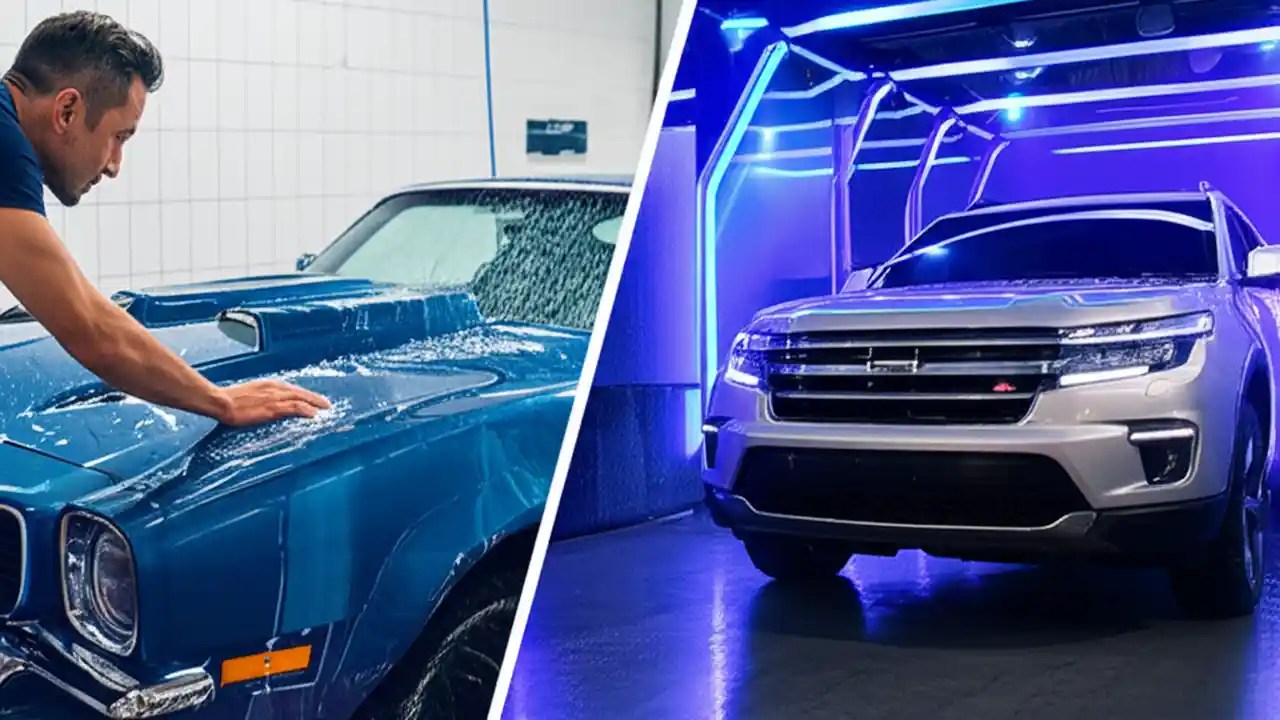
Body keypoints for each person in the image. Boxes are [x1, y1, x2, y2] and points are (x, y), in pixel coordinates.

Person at [0, 11, 329, 426]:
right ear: (67, 111)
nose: (115, 165)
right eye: (118, 137)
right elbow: (90, 327)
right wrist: (219, 401)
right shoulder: (4, 150)